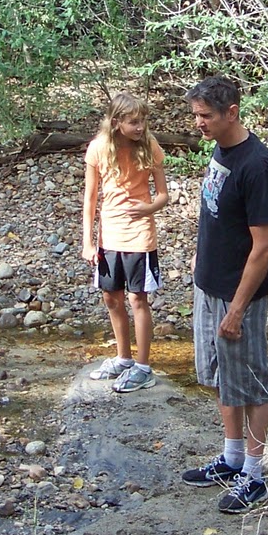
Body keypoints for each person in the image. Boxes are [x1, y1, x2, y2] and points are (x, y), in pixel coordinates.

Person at [179, 76, 268, 513]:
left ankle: (254, 475)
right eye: (196, 115)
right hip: (211, 283)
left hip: (240, 295)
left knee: (253, 381)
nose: (198, 123)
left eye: (205, 116)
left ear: (231, 113)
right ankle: (232, 456)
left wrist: (237, 308)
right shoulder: (222, 149)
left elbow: (264, 246)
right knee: (223, 375)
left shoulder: (257, 165)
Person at [81, 91, 171, 393]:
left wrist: (147, 208)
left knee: (138, 299)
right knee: (111, 298)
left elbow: (162, 196)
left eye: (143, 121)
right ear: (117, 122)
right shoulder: (98, 149)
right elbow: (90, 199)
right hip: (110, 236)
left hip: (139, 236)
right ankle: (123, 358)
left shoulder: (150, 147)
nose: (140, 127)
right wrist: (88, 242)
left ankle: (144, 367)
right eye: (134, 122)